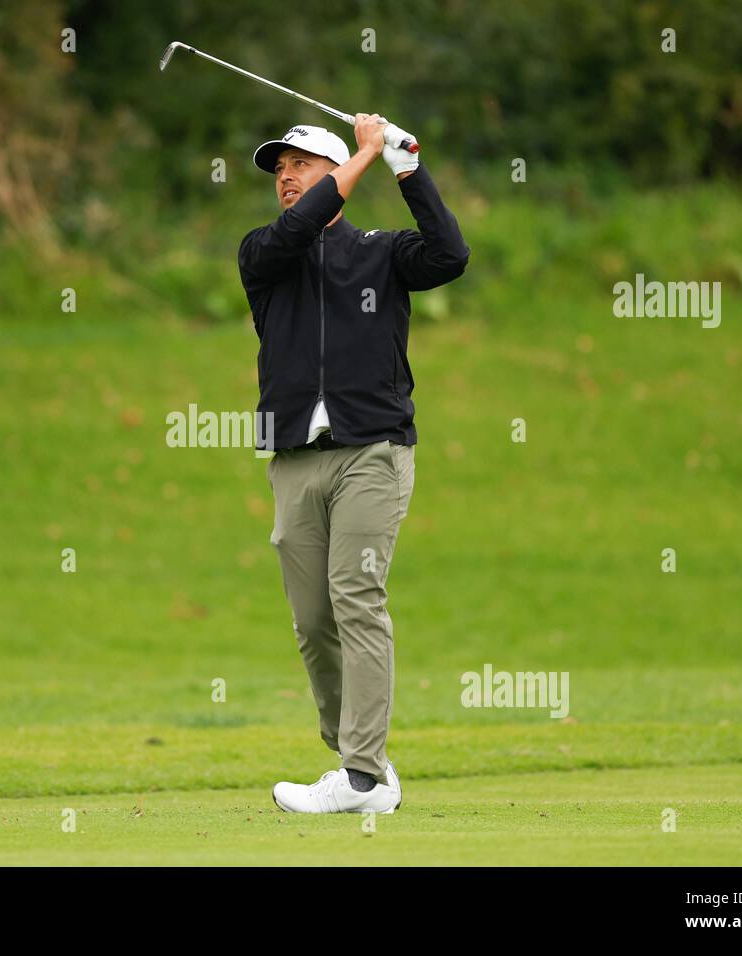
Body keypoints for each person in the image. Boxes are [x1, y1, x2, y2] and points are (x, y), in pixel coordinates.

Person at [239, 115, 470, 813]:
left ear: (336, 173)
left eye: (301, 163)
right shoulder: (263, 253)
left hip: (373, 449)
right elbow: (299, 228)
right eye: (279, 166)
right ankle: (358, 763)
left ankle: (363, 775)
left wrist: (405, 166)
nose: (284, 175)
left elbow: (450, 254)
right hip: (295, 461)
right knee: (313, 621)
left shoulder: (380, 253)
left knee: (356, 599)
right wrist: (366, 150)